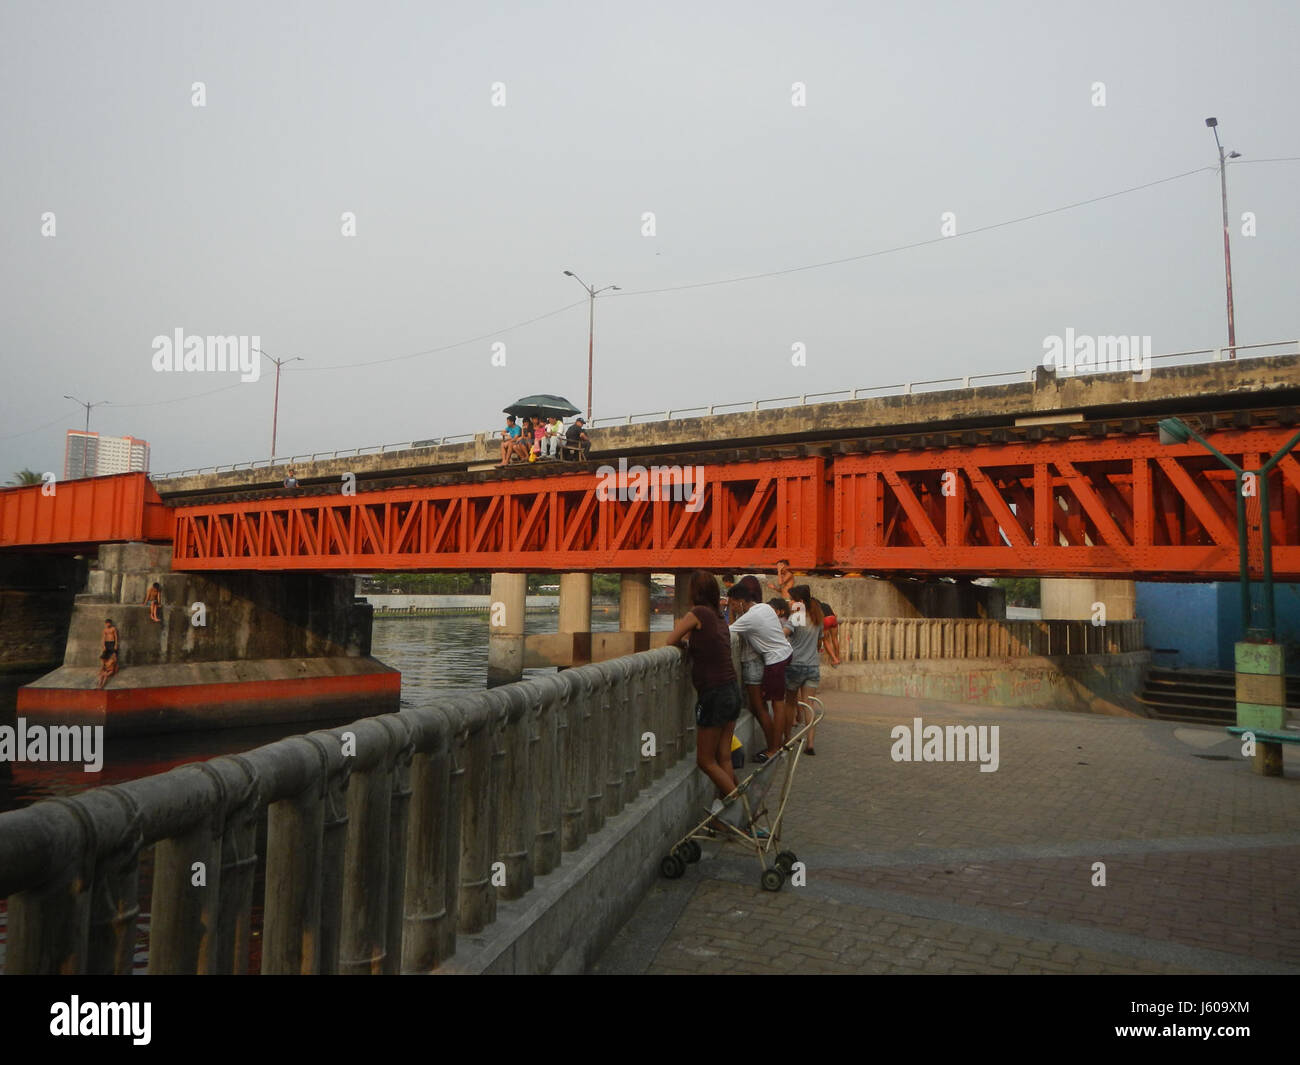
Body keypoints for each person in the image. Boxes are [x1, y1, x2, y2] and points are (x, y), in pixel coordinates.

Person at [666, 570, 741, 817]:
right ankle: (728, 816)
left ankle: (742, 810)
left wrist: (686, 643)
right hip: (731, 689)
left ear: (694, 592)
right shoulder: (719, 618)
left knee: (705, 760)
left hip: (714, 694)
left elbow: (671, 640)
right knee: (724, 756)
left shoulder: (698, 613)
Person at [726, 580, 793, 764]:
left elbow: (725, 631)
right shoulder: (764, 607)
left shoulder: (749, 618)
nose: (732, 607)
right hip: (785, 653)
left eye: (733, 604)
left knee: (777, 705)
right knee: (777, 704)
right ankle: (778, 744)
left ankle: (773, 749)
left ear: (740, 601)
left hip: (775, 659)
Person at [784, 586, 824, 754]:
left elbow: (783, 633)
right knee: (809, 705)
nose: (790, 603)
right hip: (813, 666)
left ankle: (787, 739)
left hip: (795, 665)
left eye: (792, 599)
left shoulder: (796, 617)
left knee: (790, 704)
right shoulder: (817, 618)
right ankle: (810, 744)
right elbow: (819, 642)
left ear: (800, 601)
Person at [97, 617, 119, 689]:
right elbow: (103, 637)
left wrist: (116, 644)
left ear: (110, 623)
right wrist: (103, 645)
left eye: (108, 623)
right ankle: (103, 668)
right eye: (106, 623)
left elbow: (116, 637)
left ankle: (114, 668)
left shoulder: (113, 629)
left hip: (112, 642)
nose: (107, 624)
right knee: (105, 656)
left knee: (114, 655)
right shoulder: (105, 630)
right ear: (105, 624)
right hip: (107, 643)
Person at [819, 597, 842, 665]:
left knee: (825, 641)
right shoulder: (826, 605)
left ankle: (834, 659)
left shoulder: (815, 607)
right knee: (835, 639)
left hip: (825, 620)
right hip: (833, 619)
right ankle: (837, 658)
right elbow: (834, 614)